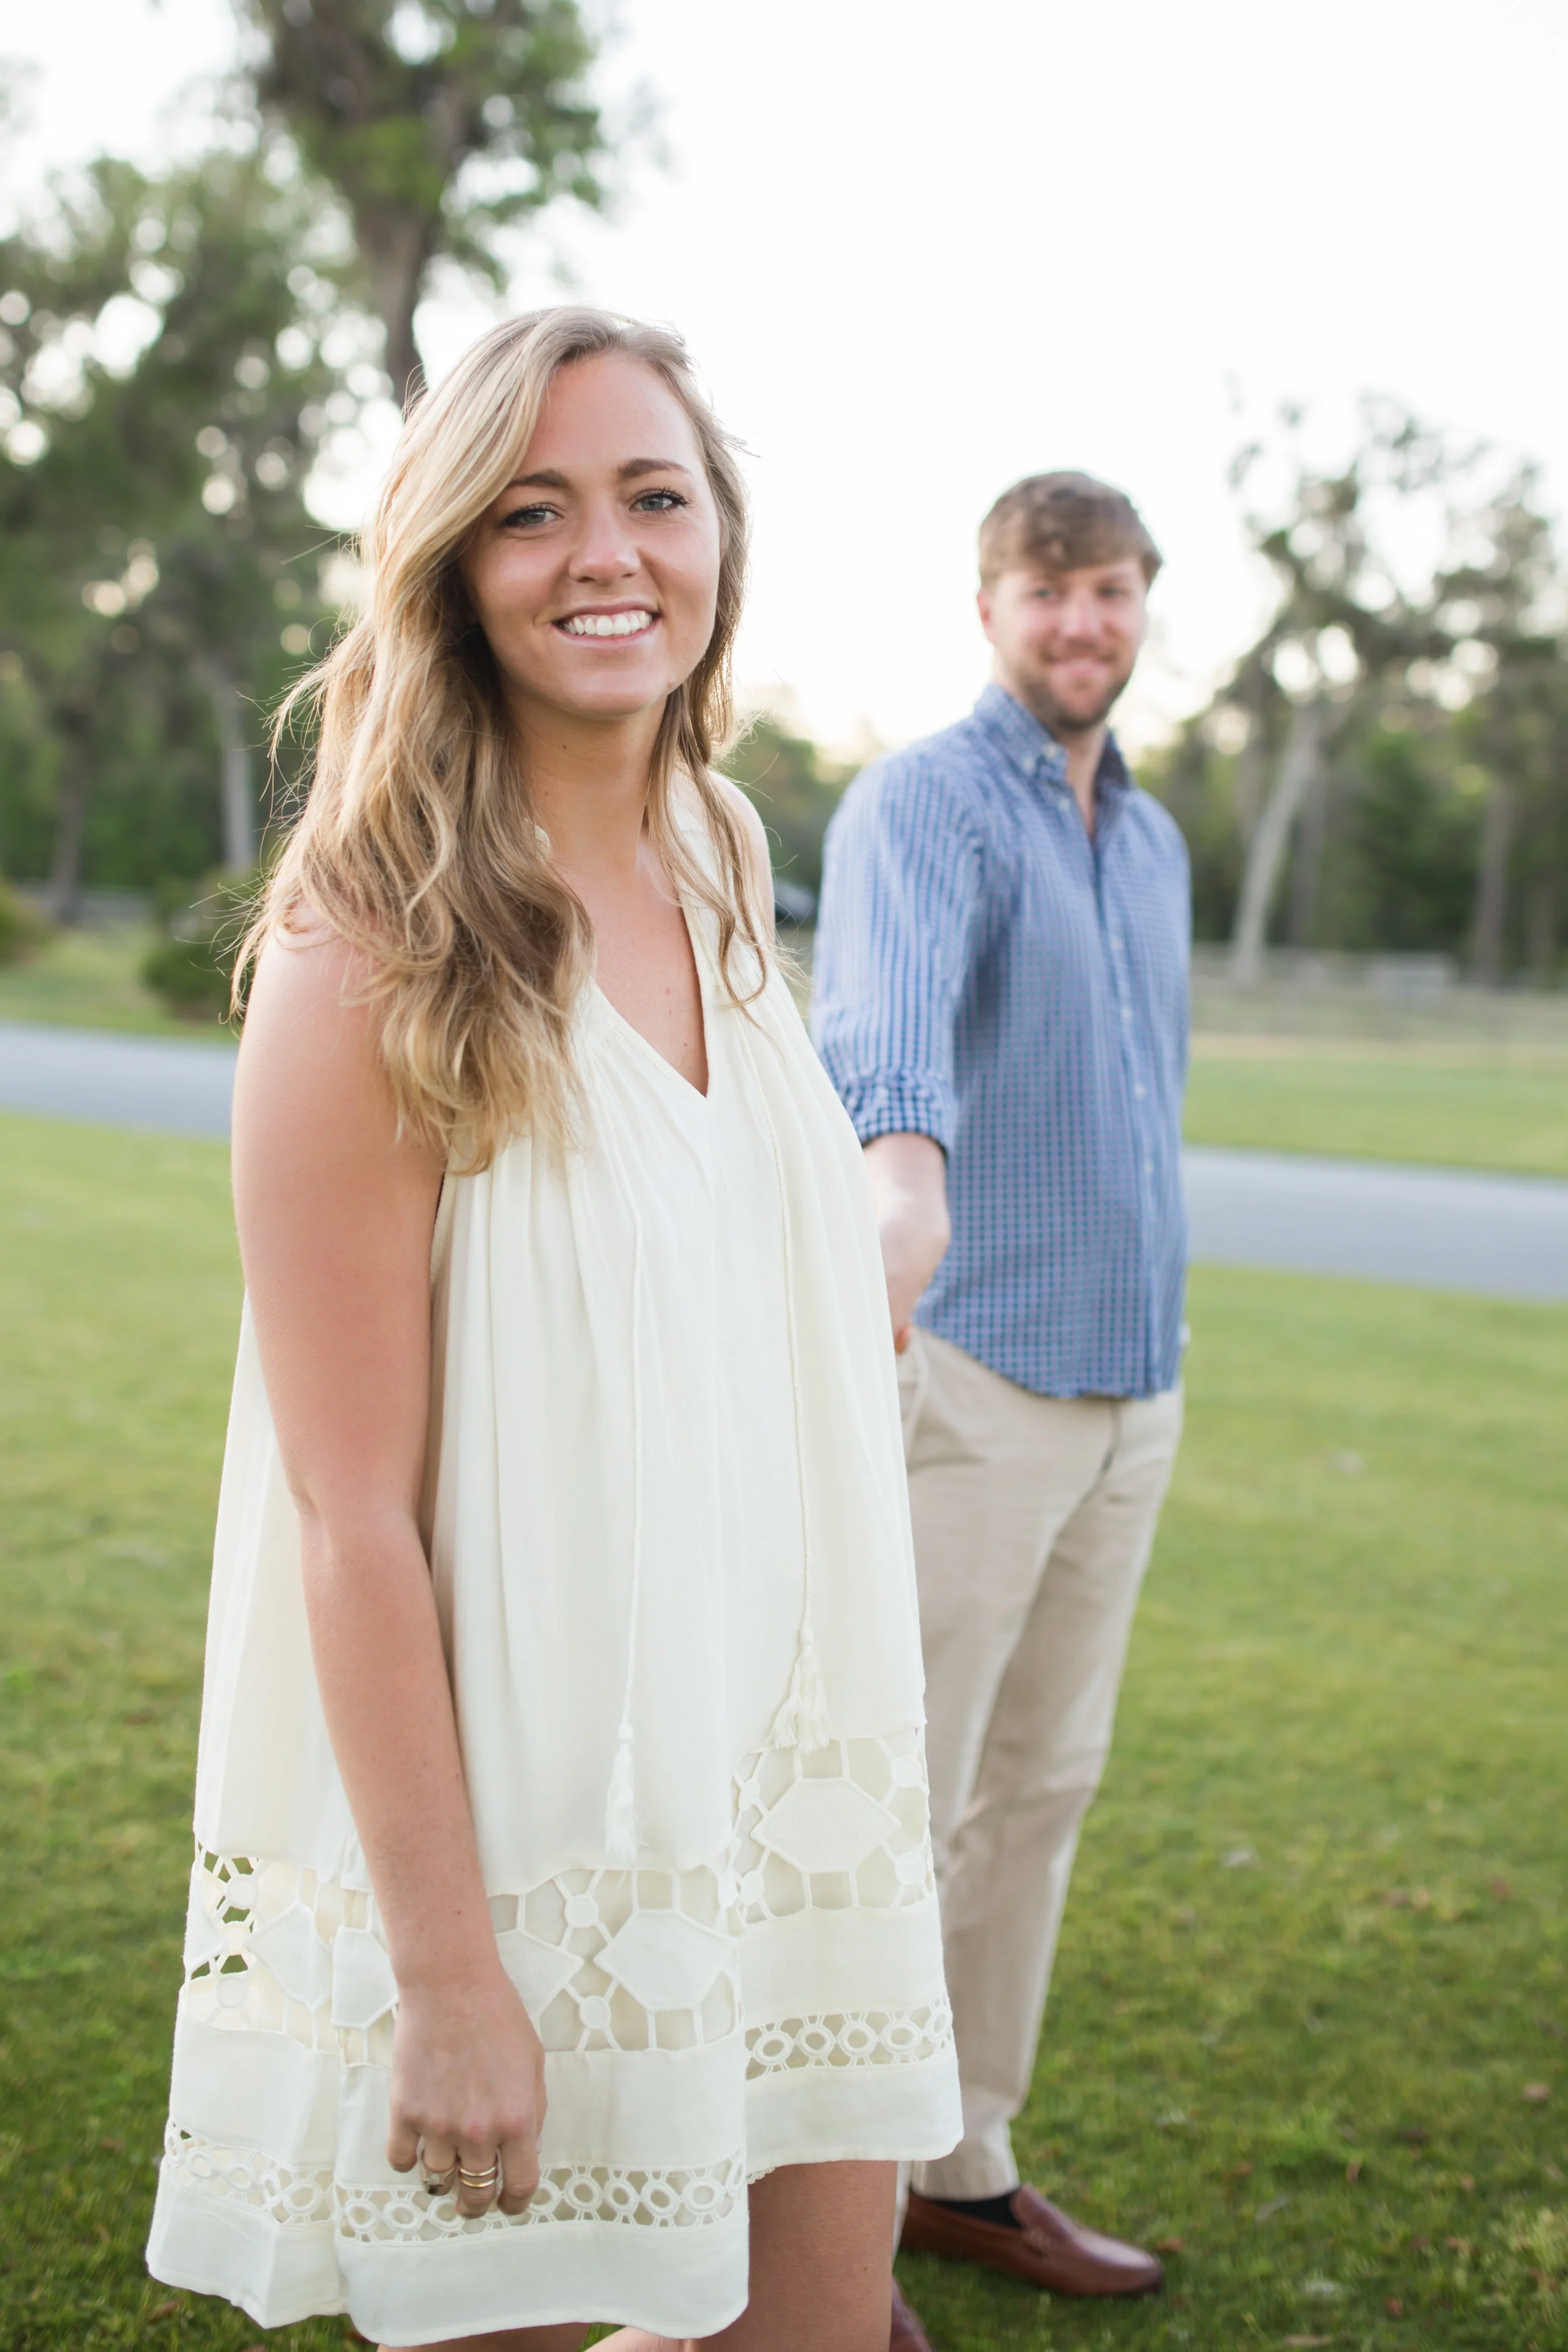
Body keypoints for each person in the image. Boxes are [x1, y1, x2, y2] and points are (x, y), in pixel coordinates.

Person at [146, 306, 959, 2352]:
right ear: (449, 570)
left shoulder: (721, 852)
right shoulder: (370, 942)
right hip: (525, 1849)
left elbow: (693, 1232)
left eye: (651, 496)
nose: (607, 553)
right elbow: (348, 1511)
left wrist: (847, 1234)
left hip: (776, 1796)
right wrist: (446, 1974)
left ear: (719, 543)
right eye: (532, 510)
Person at [812, 472, 1190, 2348]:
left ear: (1140, 608)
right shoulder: (925, 803)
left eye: (1109, 592)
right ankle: (822, 2237)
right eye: (1048, 593)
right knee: (902, 1800)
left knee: (1037, 1791)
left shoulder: (1156, 839)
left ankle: (958, 2163)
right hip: (971, 1373)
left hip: (1134, 1382)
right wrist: (901, 1179)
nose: (1081, 625)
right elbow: (878, 1022)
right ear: (988, 609)